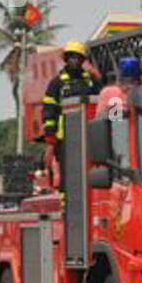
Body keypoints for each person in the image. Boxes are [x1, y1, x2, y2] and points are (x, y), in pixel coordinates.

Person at [41, 41, 102, 191]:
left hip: (89, 134)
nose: (74, 60)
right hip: (65, 137)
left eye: (78, 57)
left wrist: (99, 79)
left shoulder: (90, 80)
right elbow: (49, 108)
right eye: (71, 57)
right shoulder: (57, 83)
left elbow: (107, 101)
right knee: (68, 175)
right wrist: (50, 133)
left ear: (83, 60)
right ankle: (66, 206)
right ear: (66, 59)